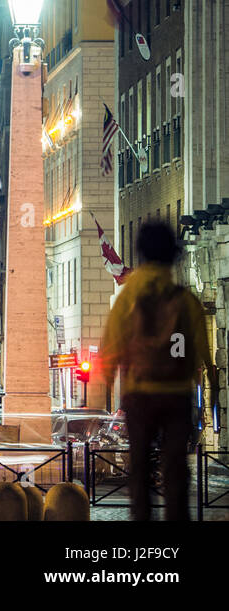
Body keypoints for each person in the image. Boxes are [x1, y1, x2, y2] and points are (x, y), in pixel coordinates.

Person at [100, 221, 217, 521]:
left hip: (140, 396)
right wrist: (209, 391)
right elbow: (202, 354)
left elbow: (109, 349)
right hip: (177, 397)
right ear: (172, 256)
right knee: (176, 469)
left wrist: (110, 379)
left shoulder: (127, 298)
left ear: (141, 254)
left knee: (139, 470)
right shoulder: (185, 300)